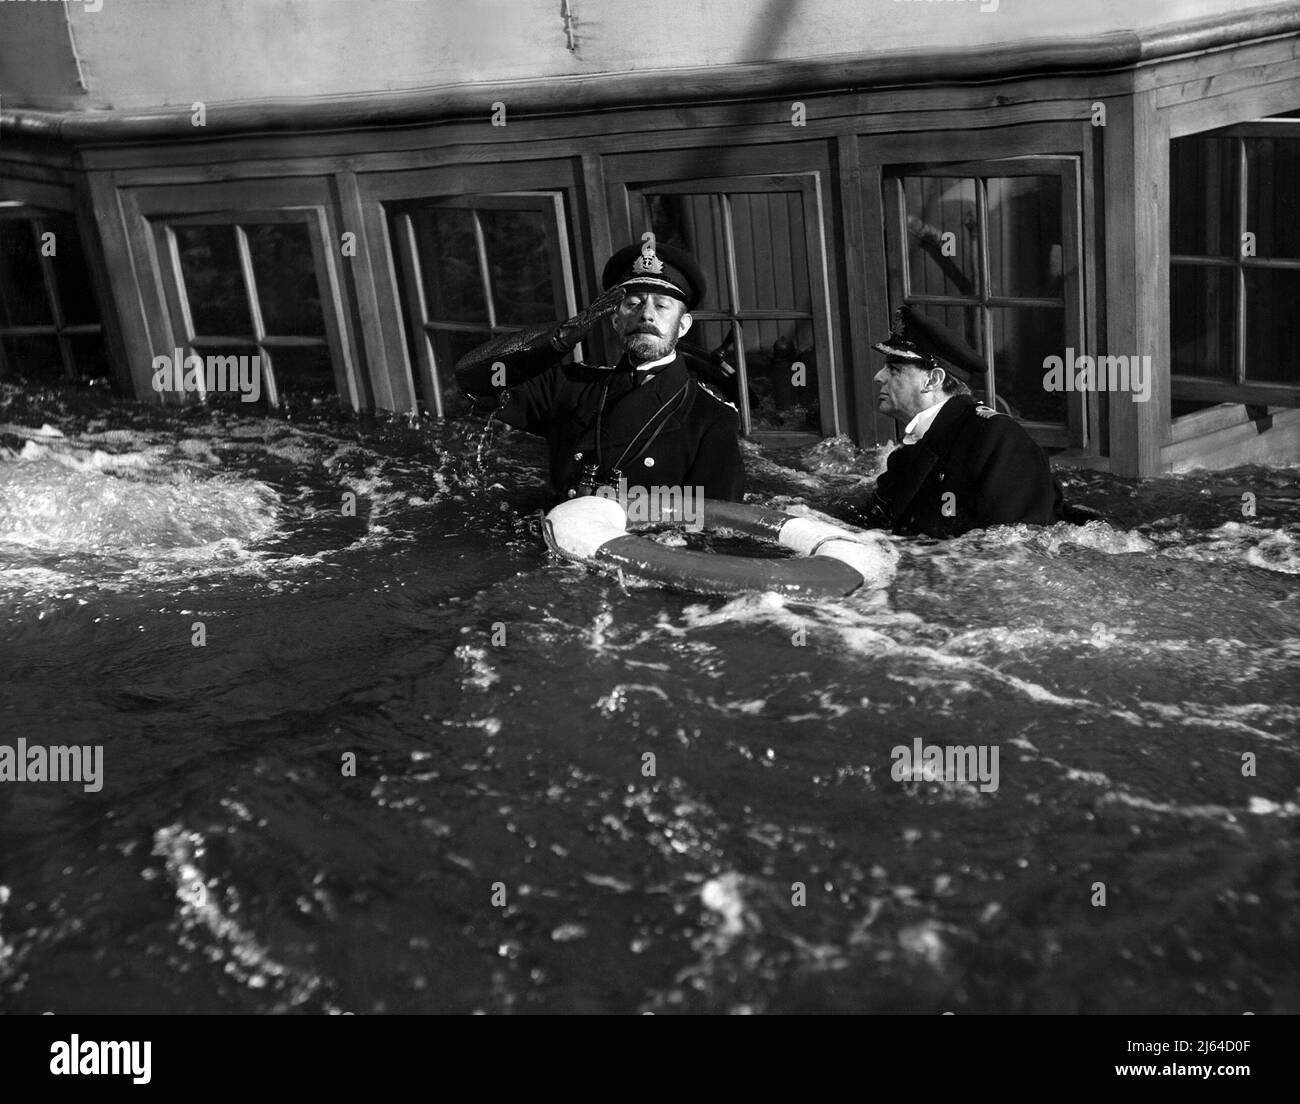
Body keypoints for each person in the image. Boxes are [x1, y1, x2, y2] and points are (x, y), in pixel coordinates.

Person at [454, 240, 745, 503]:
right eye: (633, 304)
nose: (646, 314)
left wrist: (631, 515)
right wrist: (559, 338)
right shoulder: (570, 386)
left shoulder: (710, 417)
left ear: (683, 325)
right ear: (616, 321)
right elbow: (476, 379)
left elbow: (717, 523)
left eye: (662, 306)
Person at [861, 305, 1068, 538]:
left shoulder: (997, 437)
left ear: (933, 379)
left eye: (895, 369)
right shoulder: (906, 453)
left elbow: (1016, 550)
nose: (878, 377)